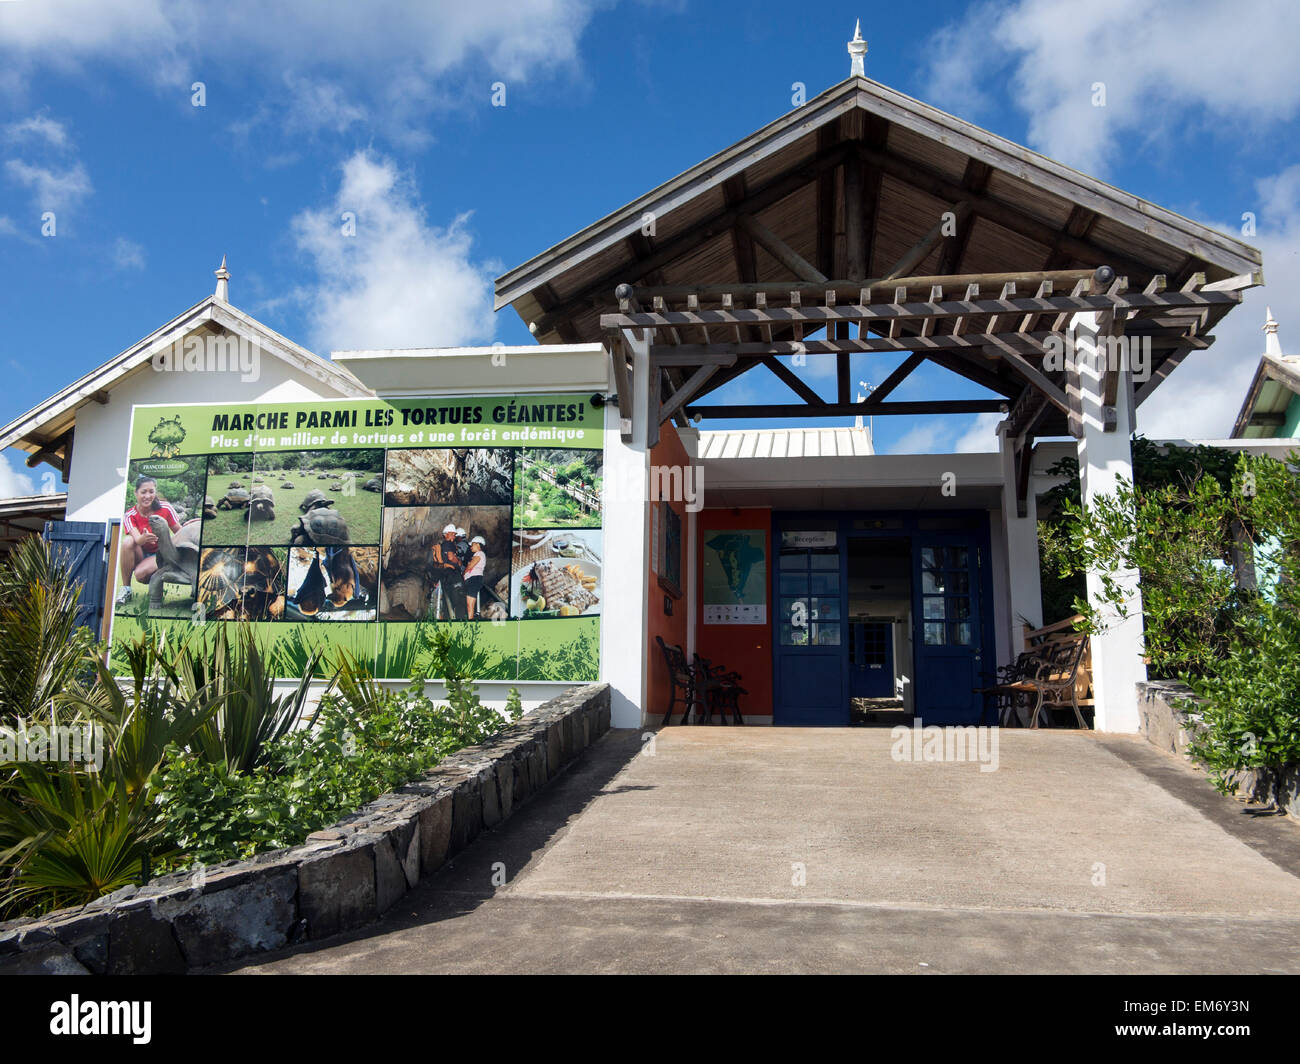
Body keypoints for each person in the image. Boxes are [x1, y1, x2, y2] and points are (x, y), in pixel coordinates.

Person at [115, 475, 183, 604]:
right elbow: (137, 540)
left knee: (141, 575)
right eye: (143, 492)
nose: (147, 496)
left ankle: (160, 574)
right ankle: (126, 589)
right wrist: (143, 538)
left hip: (162, 554)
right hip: (141, 553)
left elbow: (179, 532)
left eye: (151, 491)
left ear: (155, 492)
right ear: (136, 493)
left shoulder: (165, 508)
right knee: (127, 541)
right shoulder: (130, 515)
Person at [429, 523, 464, 620]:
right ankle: (460, 621)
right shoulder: (449, 544)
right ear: (447, 534)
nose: (454, 535)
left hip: (445, 575)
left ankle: (447, 618)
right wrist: (458, 561)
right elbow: (451, 557)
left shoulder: (443, 545)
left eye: (454, 534)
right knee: (459, 599)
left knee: (447, 599)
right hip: (452, 574)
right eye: (453, 533)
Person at [463, 535, 487, 620]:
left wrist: (463, 573)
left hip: (474, 579)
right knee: (469, 604)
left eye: (472, 544)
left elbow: (470, 566)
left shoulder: (479, 554)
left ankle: (470, 621)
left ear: (478, 544)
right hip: (473, 579)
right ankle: (470, 619)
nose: (471, 547)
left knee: (470, 605)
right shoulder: (477, 554)